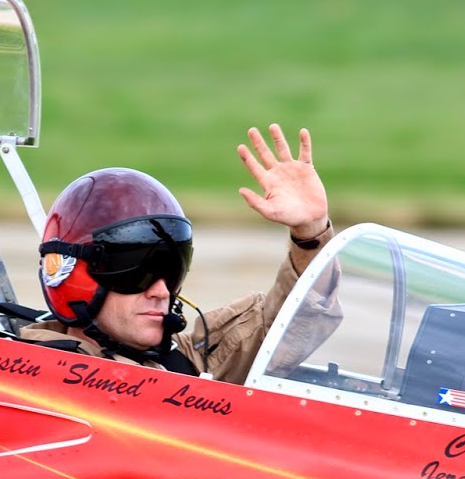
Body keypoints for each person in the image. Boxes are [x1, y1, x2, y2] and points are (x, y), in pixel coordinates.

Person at [21, 123, 341, 383]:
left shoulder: (182, 362)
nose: (161, 291)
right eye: (135, 271)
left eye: (170, 270)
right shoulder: (31, 381)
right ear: (75, 278)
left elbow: (287, 326)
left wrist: (310, 230)